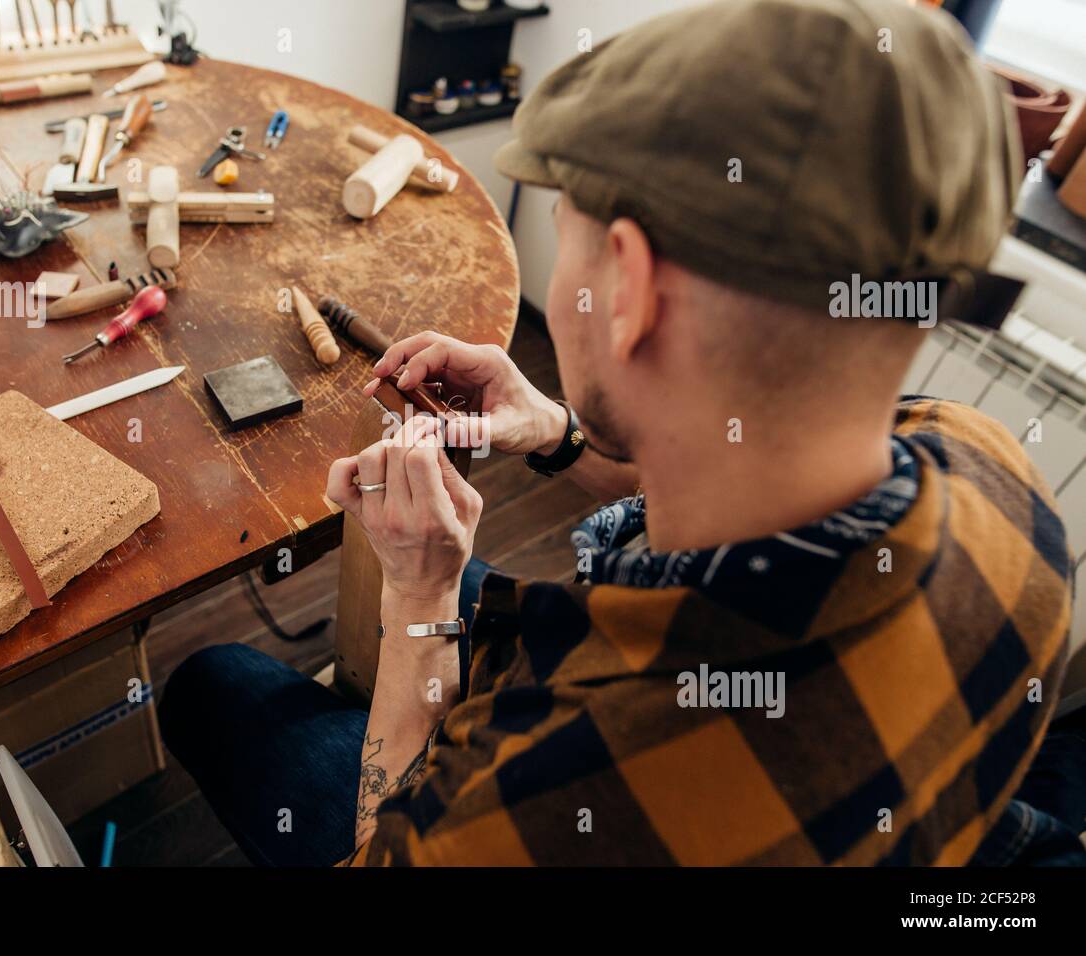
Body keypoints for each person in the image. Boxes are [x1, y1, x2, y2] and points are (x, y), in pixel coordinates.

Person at [159, 0, 1082, 866]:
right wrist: (559, 431)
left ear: (630, 287)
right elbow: (747, 458)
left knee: (214, 688)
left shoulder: (572, 784)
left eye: (570, 238)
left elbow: (388, 851)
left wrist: (418, 601)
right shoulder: (996, 475)